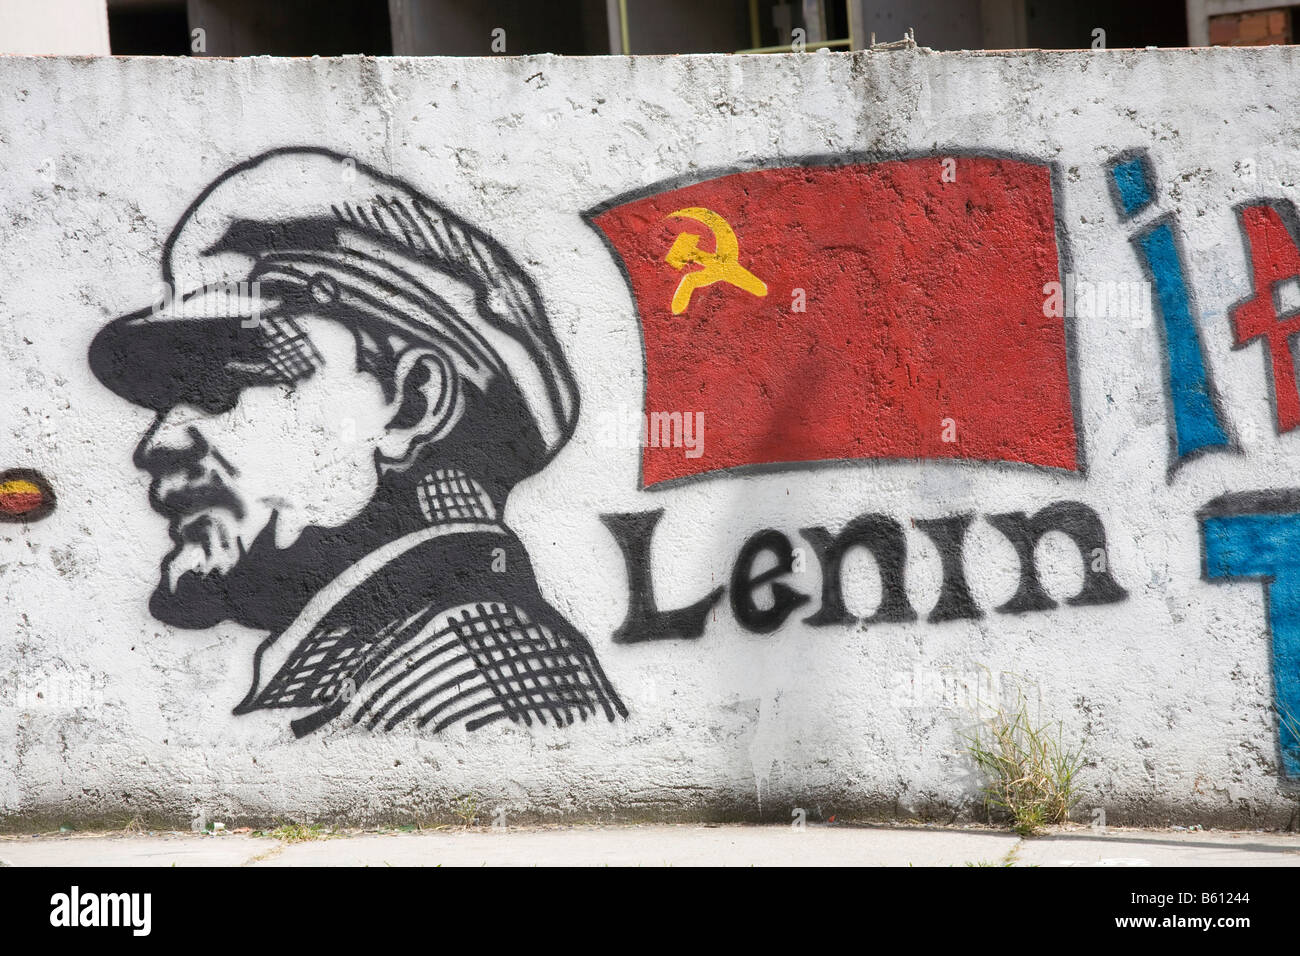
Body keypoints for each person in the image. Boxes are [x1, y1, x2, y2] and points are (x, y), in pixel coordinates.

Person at [89, 147, 626, 738]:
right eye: (173, 397)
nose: (158, 442)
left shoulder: (471, 697)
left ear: (412, 404)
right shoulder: (380, 677)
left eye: (223, 389)